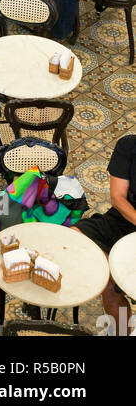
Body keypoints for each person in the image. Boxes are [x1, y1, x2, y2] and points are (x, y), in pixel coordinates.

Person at [78, 133, 136, 335]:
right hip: (124, 220)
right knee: (76, 234)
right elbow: (118, 198)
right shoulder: (129, 145)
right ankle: (110, 279)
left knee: (116, 289)